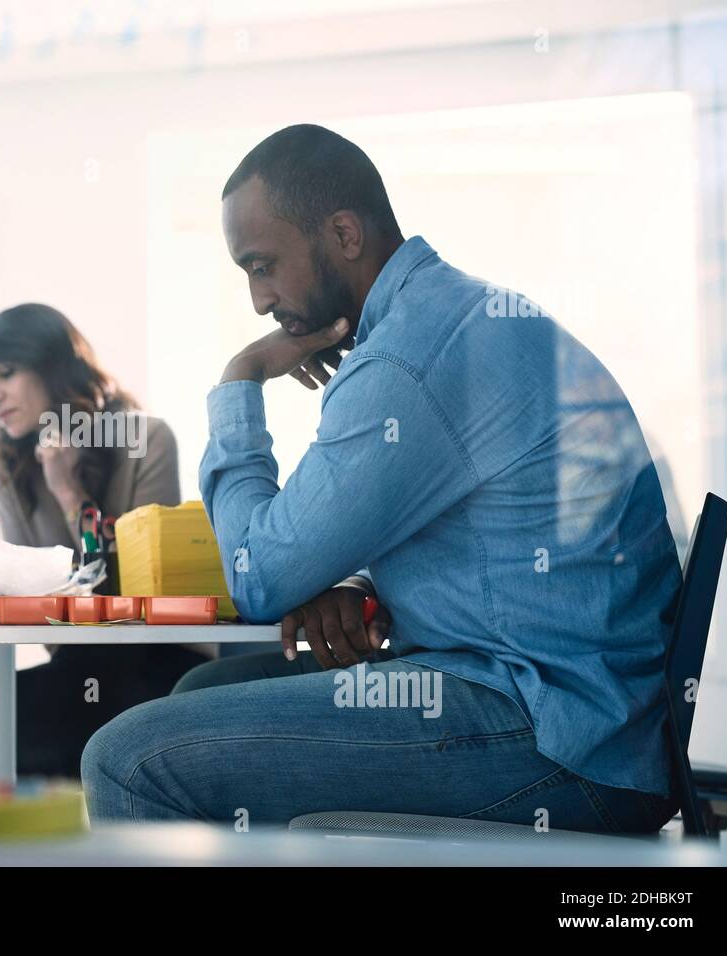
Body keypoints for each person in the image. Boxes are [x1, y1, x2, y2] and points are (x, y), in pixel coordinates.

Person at [81, 125, 682, 834]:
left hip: (559, 737)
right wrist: (363, 584)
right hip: (588, 708)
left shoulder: (404, 362)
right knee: (203, 690)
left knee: (127, 759)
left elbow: (258, 574)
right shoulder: (449, 316)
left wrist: (239, 380)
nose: (258, 299)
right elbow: (474, 532)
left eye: (263, 265)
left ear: (343, 233)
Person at [0, 303, 206, 778]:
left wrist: (70, 493)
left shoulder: (148, 440)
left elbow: (141, 599)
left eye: (5, 373)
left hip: (157, 656)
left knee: (21, 720)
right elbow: (25, 584)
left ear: (52, 366)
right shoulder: (6, 455)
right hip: (75, 658)